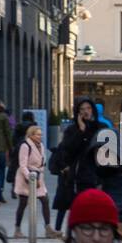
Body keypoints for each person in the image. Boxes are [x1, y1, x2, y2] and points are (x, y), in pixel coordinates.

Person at [51, 98, 101, 230]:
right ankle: (69, 229)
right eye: (82, 109)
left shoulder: (101, 127)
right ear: (77, 112)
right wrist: (81, 130)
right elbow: (68, 149)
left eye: (88, 108)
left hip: (96, 172)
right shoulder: (72, 130)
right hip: (77, 174)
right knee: (74, 204)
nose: (86, 112)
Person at [15, 124, 58, 238]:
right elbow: (22, 164)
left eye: (41, 134)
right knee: (23, 203)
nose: (40, 136)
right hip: (27, 177)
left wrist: (39, 176)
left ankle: (48, 228)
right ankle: (17, 229)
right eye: (38, 134)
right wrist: (30, 177)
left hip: (38, 176)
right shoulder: (25, 146)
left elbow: (42, 163)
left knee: (45, 200)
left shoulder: (41, 146)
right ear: (31, 135)